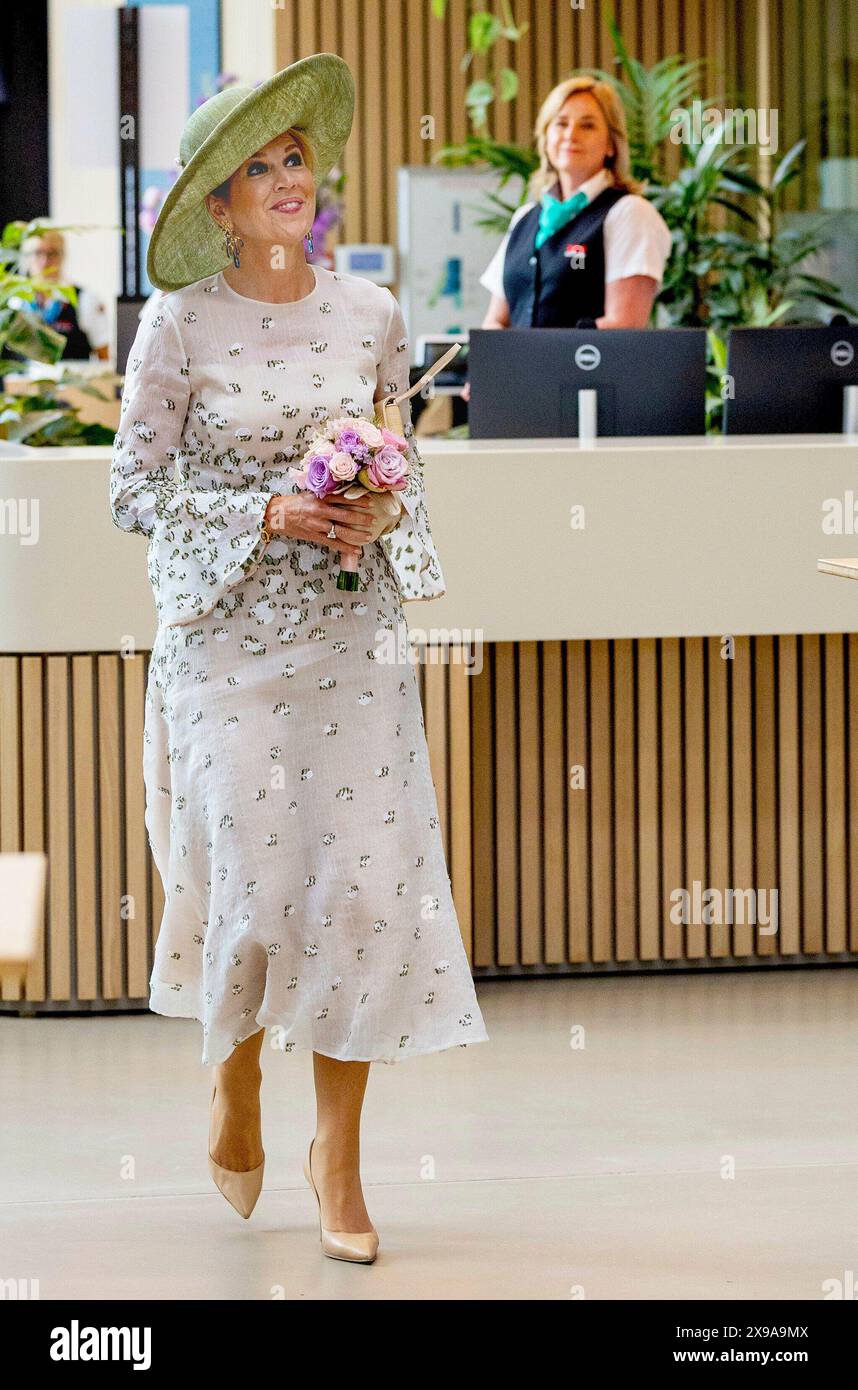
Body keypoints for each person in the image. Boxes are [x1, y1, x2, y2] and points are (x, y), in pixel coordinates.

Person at [109, 53, 489, 1264]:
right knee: (253, 894)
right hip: (223, 645)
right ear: (218, 206)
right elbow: (133, 491)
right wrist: (265, 511)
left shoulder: (372, 314)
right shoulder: (177, 322)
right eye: (258, 166)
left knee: (360, 895)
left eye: (296, 158)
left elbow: (401, 464)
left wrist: (380, 504)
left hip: (350, 638)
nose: (287, 178)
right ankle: (233, 1084)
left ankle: (340, 1159)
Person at [464, 74, 671, 399]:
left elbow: (624, 326)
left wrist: (535, 358)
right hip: (518, 395)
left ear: (611, 144)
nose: (571, 134)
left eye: (588, 125)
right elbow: (496, 320)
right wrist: (489, 367)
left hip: (590, 396)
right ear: (545, 137)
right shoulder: (524, 218)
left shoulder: (629, 213)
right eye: (560, 124)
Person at [13, 229, 111, 361]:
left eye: (52, 253)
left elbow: (103, 355)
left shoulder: (84, 299)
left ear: (62, 257)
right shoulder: (15, 301)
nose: (45, 261)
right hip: (23, 374)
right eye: (38, 253)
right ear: (27, 258)